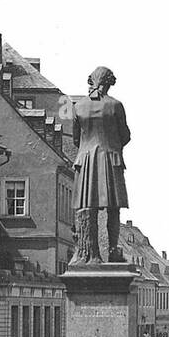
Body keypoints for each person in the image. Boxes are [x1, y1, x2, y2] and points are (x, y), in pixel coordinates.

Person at [67, 66, 131, 263]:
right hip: (110, 159)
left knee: (87, 207)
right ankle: (112, 250)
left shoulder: (78, 107)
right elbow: (125, 136)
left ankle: (89, 251)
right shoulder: (115, 106)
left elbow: (76, 138)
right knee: (113, 208)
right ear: (107, 83)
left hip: (86, 160)